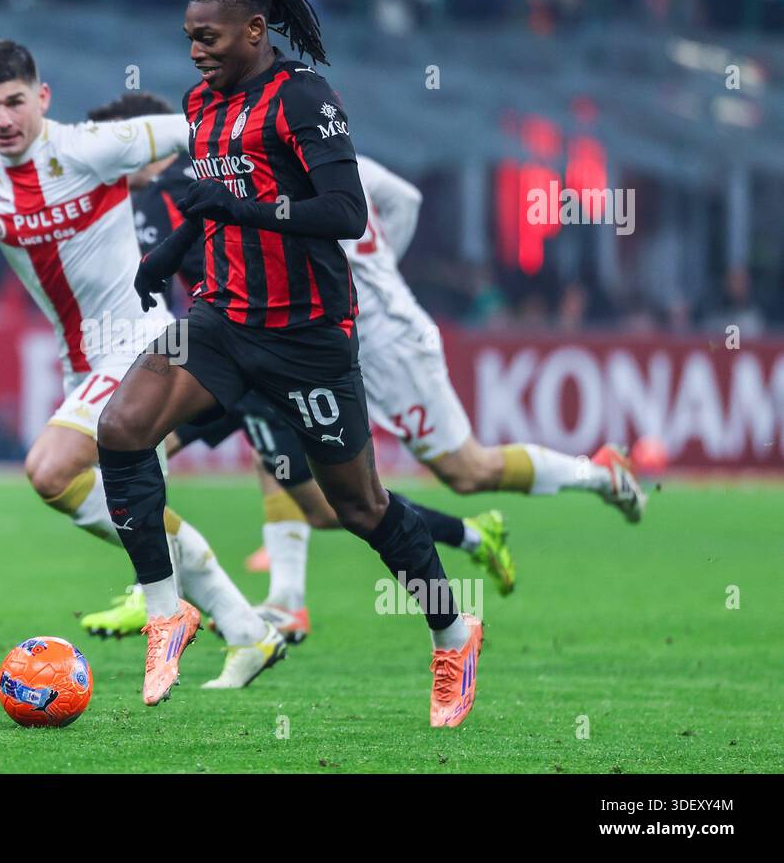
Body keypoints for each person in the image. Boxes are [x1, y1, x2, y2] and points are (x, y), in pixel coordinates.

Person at [95, 0, 482, 726]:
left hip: (307, 337)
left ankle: (453, 631)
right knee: (120, 428)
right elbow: (216, 199)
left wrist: (238, 206)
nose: (196, 50)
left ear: (254, 30)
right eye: (187, 38)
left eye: (208, 37)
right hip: (222, 321)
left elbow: (343, 211)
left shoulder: (305, 97)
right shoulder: (200, 104)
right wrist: (174, 250)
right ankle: (167, 610)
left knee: (361, 509)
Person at [77, 93, 512, 648]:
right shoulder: (190, 173)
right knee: (138, 442)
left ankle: (463, 545)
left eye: (109, 155)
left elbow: (338, 213)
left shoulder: (194, 176)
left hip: (279, 349)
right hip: (222, 352)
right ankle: (184, 597)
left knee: (340, 506)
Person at [0, 40, 285, 695]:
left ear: (42, 99)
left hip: (140, 342)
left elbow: (193, 127)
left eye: (15, 102)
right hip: (82, 363)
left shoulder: (92, 148)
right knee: (134, 506)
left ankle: (171, 606)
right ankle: (249, 631)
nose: (3, 119)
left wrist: (262, 135)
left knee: (48, 468)